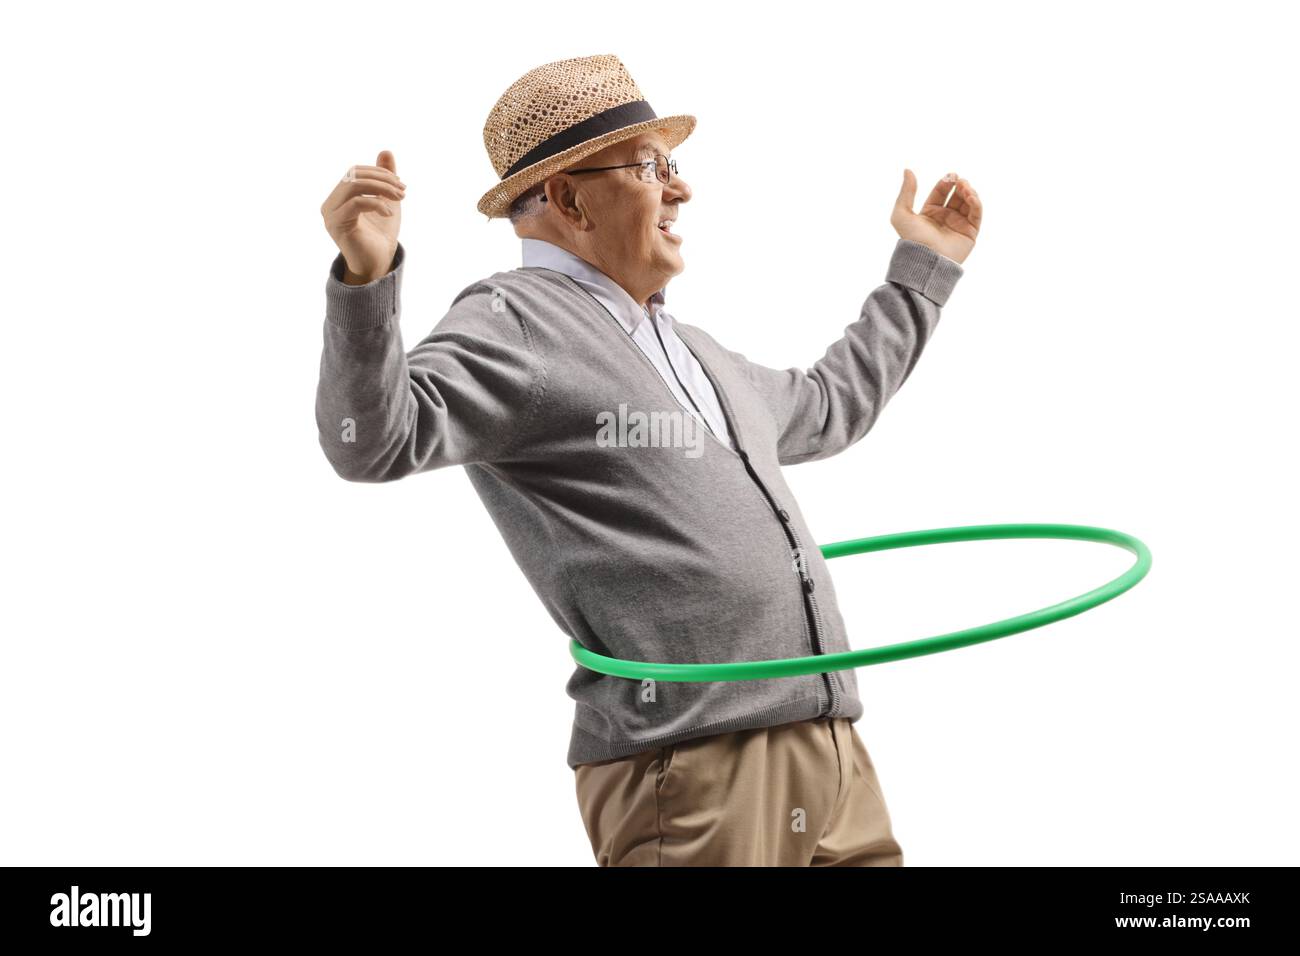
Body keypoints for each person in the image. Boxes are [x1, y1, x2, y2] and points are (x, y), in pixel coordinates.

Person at [315, 53, 981, 866]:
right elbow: (373, 441)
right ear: (566, 197)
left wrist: (925, 271)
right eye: (648, 167)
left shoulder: (697, 353)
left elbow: (833, 406)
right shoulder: (515, 322)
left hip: (828, 748)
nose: (680, 188)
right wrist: (366, 277)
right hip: (695, 762)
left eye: (673, 165)